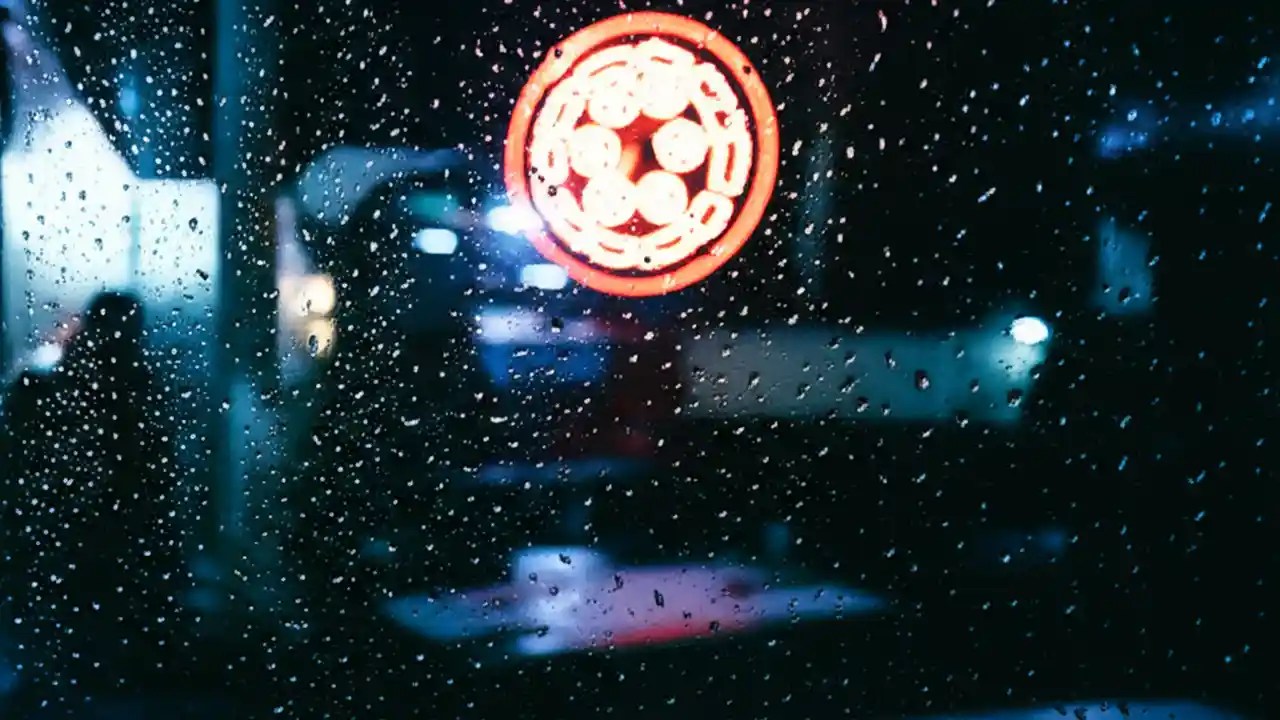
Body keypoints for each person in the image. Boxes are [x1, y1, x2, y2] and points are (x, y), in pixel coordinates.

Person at [0, 290, 185, 713]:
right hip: (95, 543)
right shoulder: (137, 392)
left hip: (86, 544)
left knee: (75, 647)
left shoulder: (64, 389)